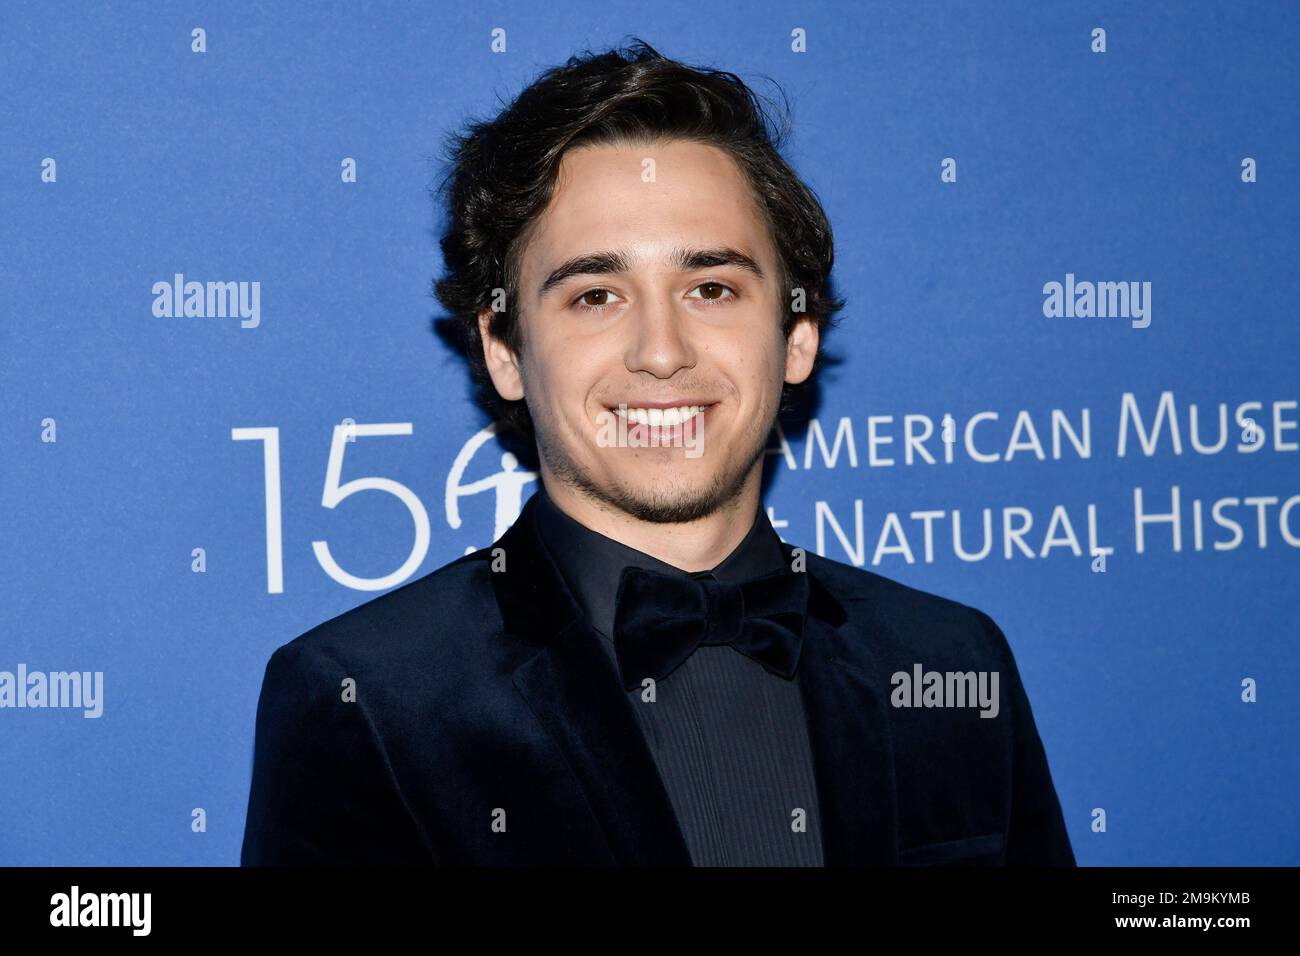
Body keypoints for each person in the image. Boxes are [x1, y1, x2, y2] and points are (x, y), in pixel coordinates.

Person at [241, 39, 1074, 866]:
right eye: (596, 295)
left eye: (711, 288)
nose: (662, 351)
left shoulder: (950, 660)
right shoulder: (369, 702)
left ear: (797, 334)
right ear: (503, 348)